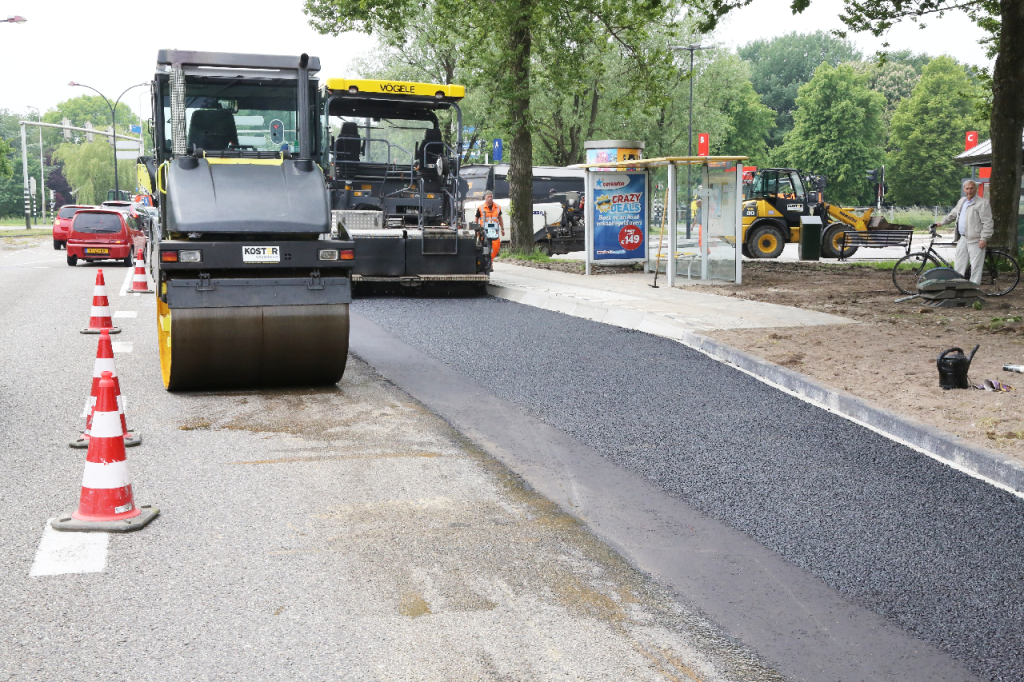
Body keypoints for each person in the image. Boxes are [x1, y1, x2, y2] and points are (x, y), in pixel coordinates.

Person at [934, 180, 993, 285]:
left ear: (976, 189)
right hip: (963, 238)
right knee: (959, 264)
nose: (969, 191)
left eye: (971, 188)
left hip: (976, 239)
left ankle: (974, 289)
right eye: (967, 188)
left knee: (976, 266)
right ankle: (958, 287)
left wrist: (984, 238)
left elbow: (988, 223)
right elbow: (952, 215)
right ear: (964, 190)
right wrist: (941, 223)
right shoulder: (962, 201)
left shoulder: (982, 203)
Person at [475, 190, 503, 260]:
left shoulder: (498, 207)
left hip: (494, 230)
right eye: (488, 197)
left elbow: (500, 218)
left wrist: (502, 229)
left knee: (496, 247)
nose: (490, 198)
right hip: (483, 231)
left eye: (491, 196)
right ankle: (488, 263)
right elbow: (476, 218)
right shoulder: (480, 207)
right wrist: (477, 230)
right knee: (484, 247)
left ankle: (490, 260)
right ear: (485, 198)